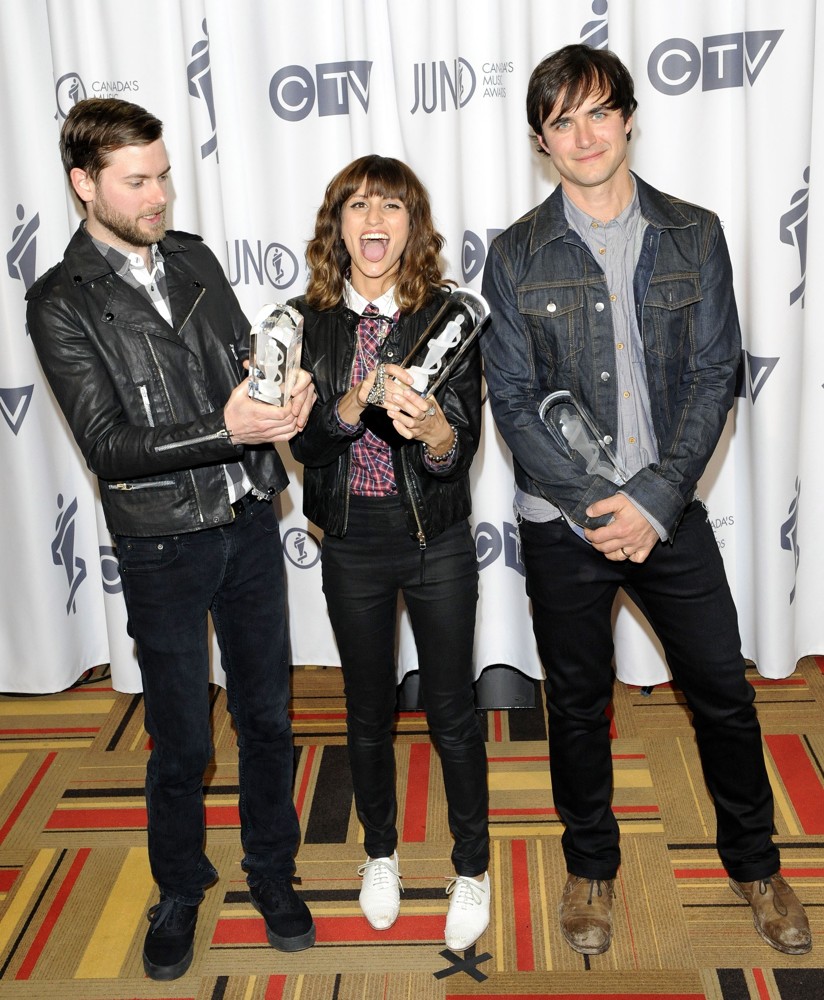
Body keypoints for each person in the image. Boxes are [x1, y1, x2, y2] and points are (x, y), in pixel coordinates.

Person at [480, 45, 812, 957]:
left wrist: (655, 500)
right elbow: (513, 402)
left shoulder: (695, 233)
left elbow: (714, 375)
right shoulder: (515, 254)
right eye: (562, 121)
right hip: (565, 522)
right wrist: (600, 505)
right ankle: (591, 865)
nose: (584, 135)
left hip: (668, 515)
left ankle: (756, 865)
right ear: (542, 142)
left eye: (599, 112)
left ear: (628, 118)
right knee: (577, 704)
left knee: (724, 695)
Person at [26, 98, 317, 980]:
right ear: (84, 184)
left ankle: (271, 871)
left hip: (249, 522)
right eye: (136, 182)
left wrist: (284, 391)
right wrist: (231, 427)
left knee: (268, 717)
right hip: (161, 545)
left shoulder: (191, 257)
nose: (158, 196)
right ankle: (181, 888)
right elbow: (109, 447)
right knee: (183, 738)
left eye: (163, 176)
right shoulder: (59, 301)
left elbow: (242, 365)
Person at [289, 155, 490, 950]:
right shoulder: (305, 321)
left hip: (435, 541)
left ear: (414, 226)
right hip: (352, 545)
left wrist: (436, 431)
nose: (374, 221)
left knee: (452, 712)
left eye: (392, 207)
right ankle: (380, 854)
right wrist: (351, 399)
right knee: (367, 711)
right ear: (337, 225)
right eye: (359, 206)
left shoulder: (449, 318)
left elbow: (457, 451)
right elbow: (306, 447)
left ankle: (472, 865)